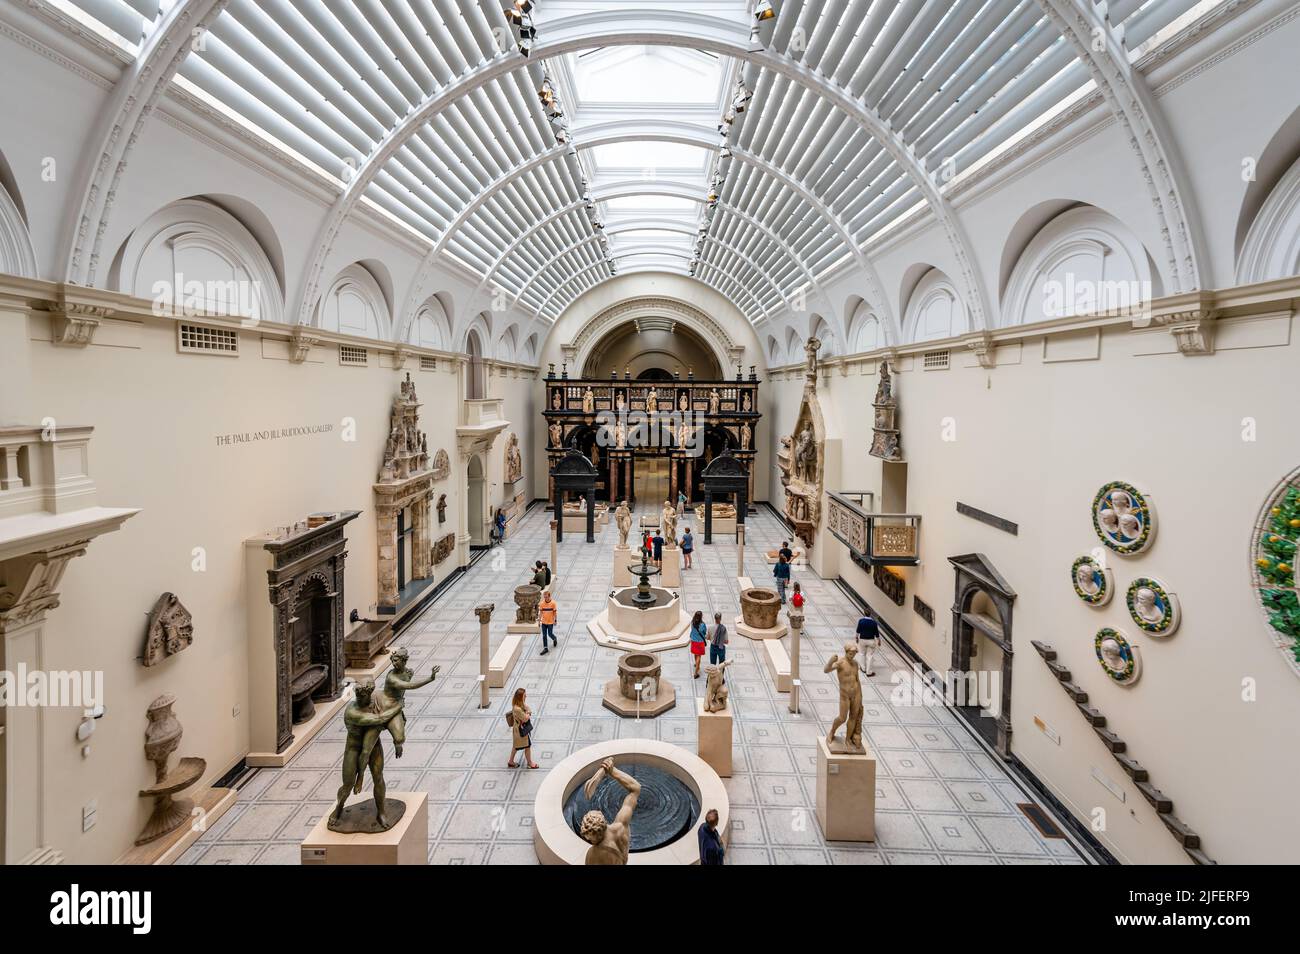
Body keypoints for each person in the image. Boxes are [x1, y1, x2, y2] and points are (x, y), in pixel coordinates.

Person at [507, 687, 539, 768]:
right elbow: (525, 718)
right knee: (527, 746)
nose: (526, 696)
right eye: (524, 695)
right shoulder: (517, 709)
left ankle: (511, 761)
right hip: (521, 731)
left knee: (516, 746)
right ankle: (530, 763)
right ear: (520, 697)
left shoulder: (517, 705)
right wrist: (528, 712)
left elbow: (526, 708)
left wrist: (526, 709)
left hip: (518, 731)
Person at [856, 609, 880, 677]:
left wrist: (856, 638)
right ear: (870, 614)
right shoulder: (874, 623)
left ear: (864, 613)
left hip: (862, 640)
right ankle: (868, 672)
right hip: (871, 641)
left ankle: (863, 668)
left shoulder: (861, 621)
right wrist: (879, 641)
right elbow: (877, 634)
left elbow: (858, 631)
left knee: (862, 654)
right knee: (869, 656)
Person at [689, 610, 708, 678]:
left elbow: (691, 629)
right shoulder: (702, 625)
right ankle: (696, 673)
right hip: (700, 642)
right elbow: (705, 632)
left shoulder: (692, 622)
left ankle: (696, 664)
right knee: (699, 656)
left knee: (695, 653)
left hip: (693, 640)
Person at [539, 589, 558, 655]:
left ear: (549, 596)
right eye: (544, 597)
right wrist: (539, 621)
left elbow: (555, 613)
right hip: (544, 622)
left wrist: (555, 620)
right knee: (544, 635)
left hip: (550, 622)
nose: (545, 598)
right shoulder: (542, 604)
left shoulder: (553, 603)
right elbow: (541, 613)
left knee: (550, 634)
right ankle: (545, 648)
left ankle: (554, 638)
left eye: (546, 597)